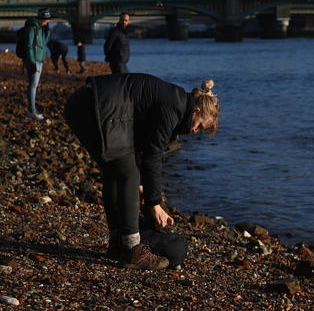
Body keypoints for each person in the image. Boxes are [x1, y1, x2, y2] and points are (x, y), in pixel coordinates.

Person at [64, 74, 220, 270]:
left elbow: (140, 148)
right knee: (127, 174)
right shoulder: (173, 107)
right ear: (196, 111)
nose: (196, 131)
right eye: (199, 126)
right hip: (97, 106)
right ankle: (131, 249)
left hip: (84, 103)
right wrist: (154, 203)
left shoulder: (175, 101)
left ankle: (117, 243)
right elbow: (152, 156)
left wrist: (144, 190)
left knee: (116, 173)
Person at [23, 8, 52, 120]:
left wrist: (47, 30)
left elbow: (43, 42)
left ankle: (32, 109)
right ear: (40, 19)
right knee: (33, 85)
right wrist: (31, 62)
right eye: (46, 20)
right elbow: (29, 46)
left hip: (40, 60)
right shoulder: (31, 29)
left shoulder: (40, 29)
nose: (47, 22)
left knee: (34, 85)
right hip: (34, 60)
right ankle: (31, 111)